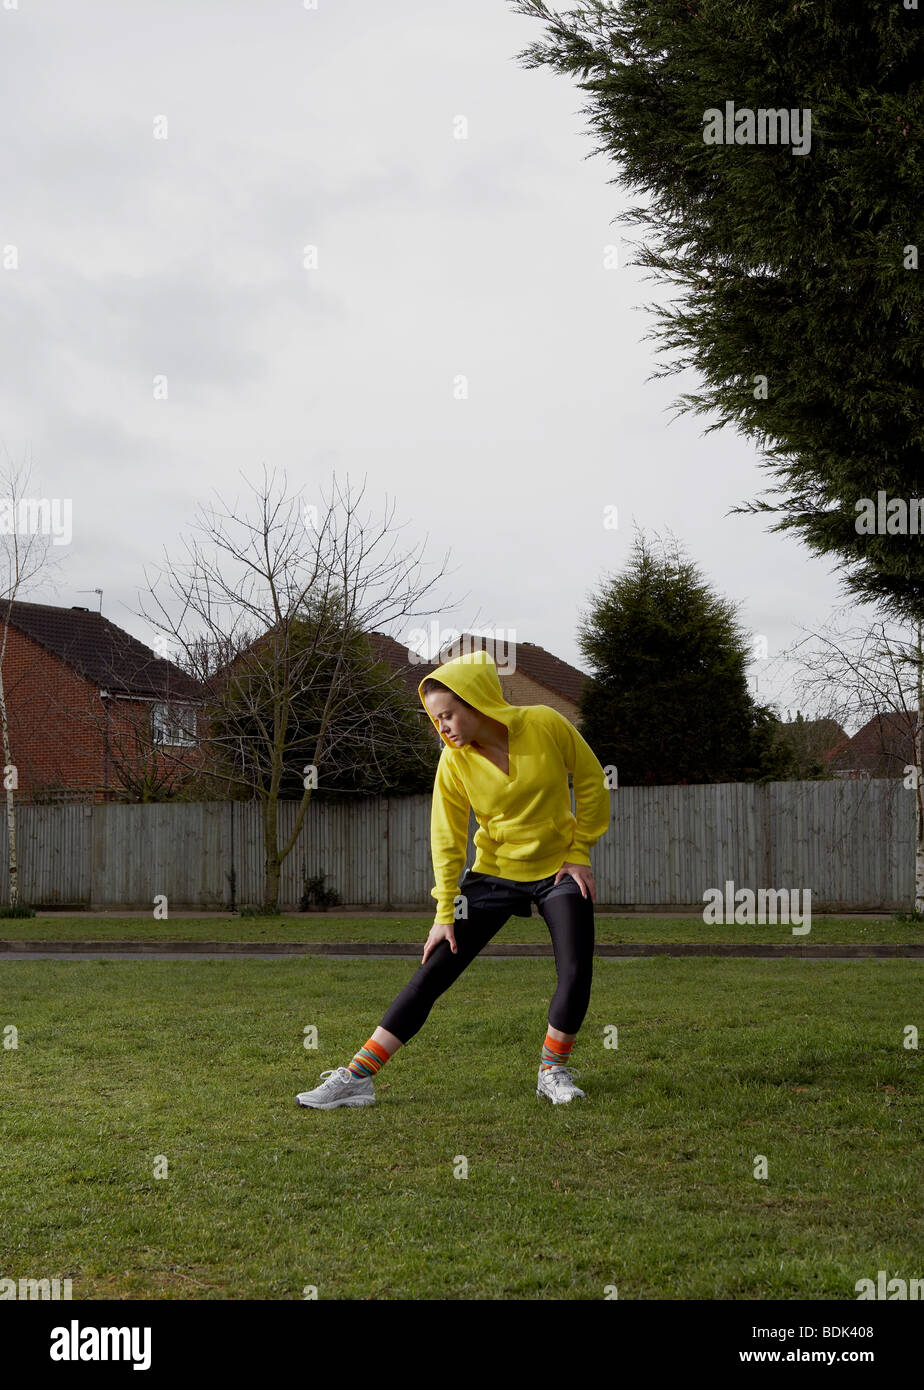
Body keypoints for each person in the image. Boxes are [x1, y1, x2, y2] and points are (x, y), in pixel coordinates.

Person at [295, 647, 611, 1109]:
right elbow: (446, 838)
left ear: (477, 702)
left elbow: (590, 780)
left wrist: (580, 852)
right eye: (435, 719)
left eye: (448, 715)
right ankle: (357, 1076)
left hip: (557, 869)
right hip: (494, 873)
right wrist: (445, 911)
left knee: (576, 967)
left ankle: (552, 1071)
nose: (441, 727)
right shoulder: (453, 761)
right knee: (435, 968)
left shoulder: (545, 723)